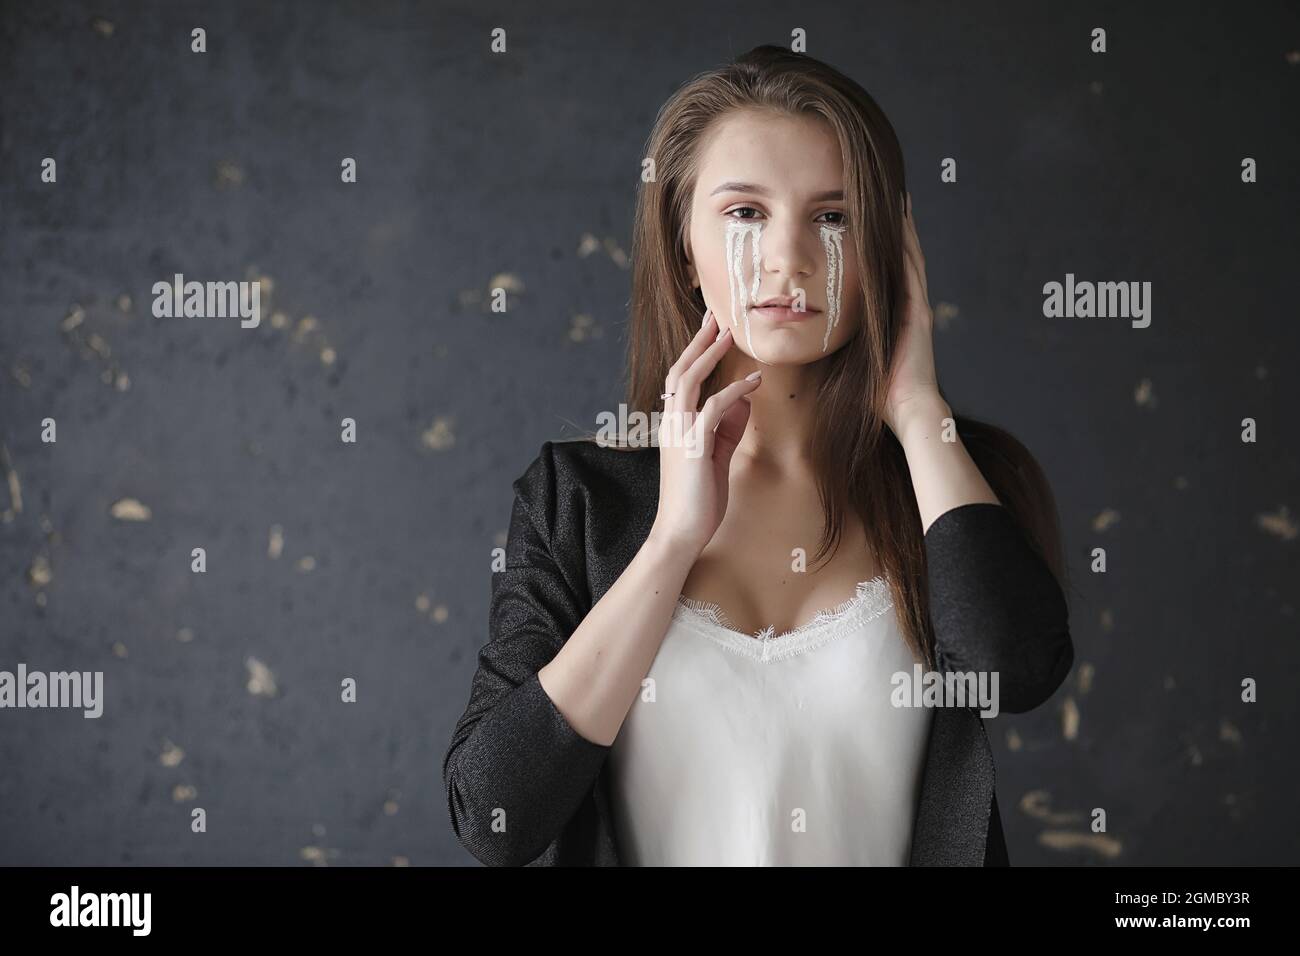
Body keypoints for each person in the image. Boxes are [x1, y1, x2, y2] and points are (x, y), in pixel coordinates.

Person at [443, 44, 1073, 866]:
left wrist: (920, 413)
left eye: (834, 216)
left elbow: (1017, 671)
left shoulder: (952, 478)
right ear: (683, 253)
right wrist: (672, 537)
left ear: (888, 251)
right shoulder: (578, 499)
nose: (790, 258)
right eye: (745, 213)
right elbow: (495, 815)